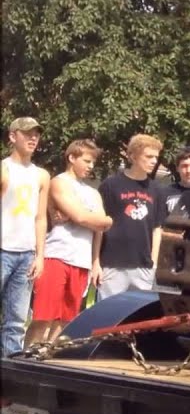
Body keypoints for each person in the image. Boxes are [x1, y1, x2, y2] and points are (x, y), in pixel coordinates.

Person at [26, 139, 114, 348]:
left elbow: (99, 229)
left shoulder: (93, 192)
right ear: (71, 158)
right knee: (43, 317)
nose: (91, 166)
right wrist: (103, 220)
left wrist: (96, 261)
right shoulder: (59, 182)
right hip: (56, 255)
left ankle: (50, 357)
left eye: (93, 162)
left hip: (81, 260)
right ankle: (27, 357)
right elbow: (81, 217)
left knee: (66, 321)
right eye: (86, 160)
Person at [95, 134, 168, 299]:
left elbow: (158, 228)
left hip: (143, 265)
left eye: (156, 157)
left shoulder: (157, 189)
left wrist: (154, 262)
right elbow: (99, 225)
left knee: (139, 318)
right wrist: (96, 261)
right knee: (109, 317)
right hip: (112, 263)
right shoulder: (110, 185)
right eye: (148, 156)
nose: (154, 161)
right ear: (133, 156)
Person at [1, 117, 51, 357]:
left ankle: (9, 379)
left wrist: (40, 255)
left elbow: (40, 217)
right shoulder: (4, 168)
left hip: (26, 253)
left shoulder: (41, 175)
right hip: (2, 249)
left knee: (16, 320)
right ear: (13, 136)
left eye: (36, 134)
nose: (33, 138)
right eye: (27, 133)